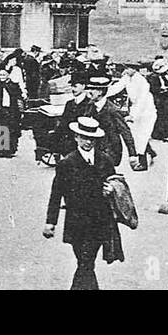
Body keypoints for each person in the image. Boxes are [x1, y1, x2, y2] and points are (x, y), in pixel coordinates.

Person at [43, 116, 124, 290]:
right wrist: (51, 222)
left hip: (100, 221)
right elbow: (56, 194)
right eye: (84, 138)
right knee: (85, 263)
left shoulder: (105, 160)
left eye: (92, 138)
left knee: (86, 262)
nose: (88, 142)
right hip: (77, 222)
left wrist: (111, 190)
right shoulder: (67, 163)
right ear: (76, 138)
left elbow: (115, 183)